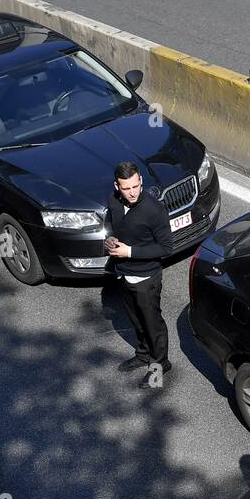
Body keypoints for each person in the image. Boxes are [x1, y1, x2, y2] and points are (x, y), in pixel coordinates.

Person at [105, 160, 174, 388]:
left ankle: (160, 363)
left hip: (147, 278)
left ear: (141, 181)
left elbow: (166, 247)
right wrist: (109, 240)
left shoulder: (154, 210)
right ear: (117, 187)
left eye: (136, 186)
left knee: (152, 323)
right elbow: (110, 225)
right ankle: (143, 354)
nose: (132, 192)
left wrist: (129, 251)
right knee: (135, 319)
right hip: (124, 274)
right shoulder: (113, 201)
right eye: (126, 188)